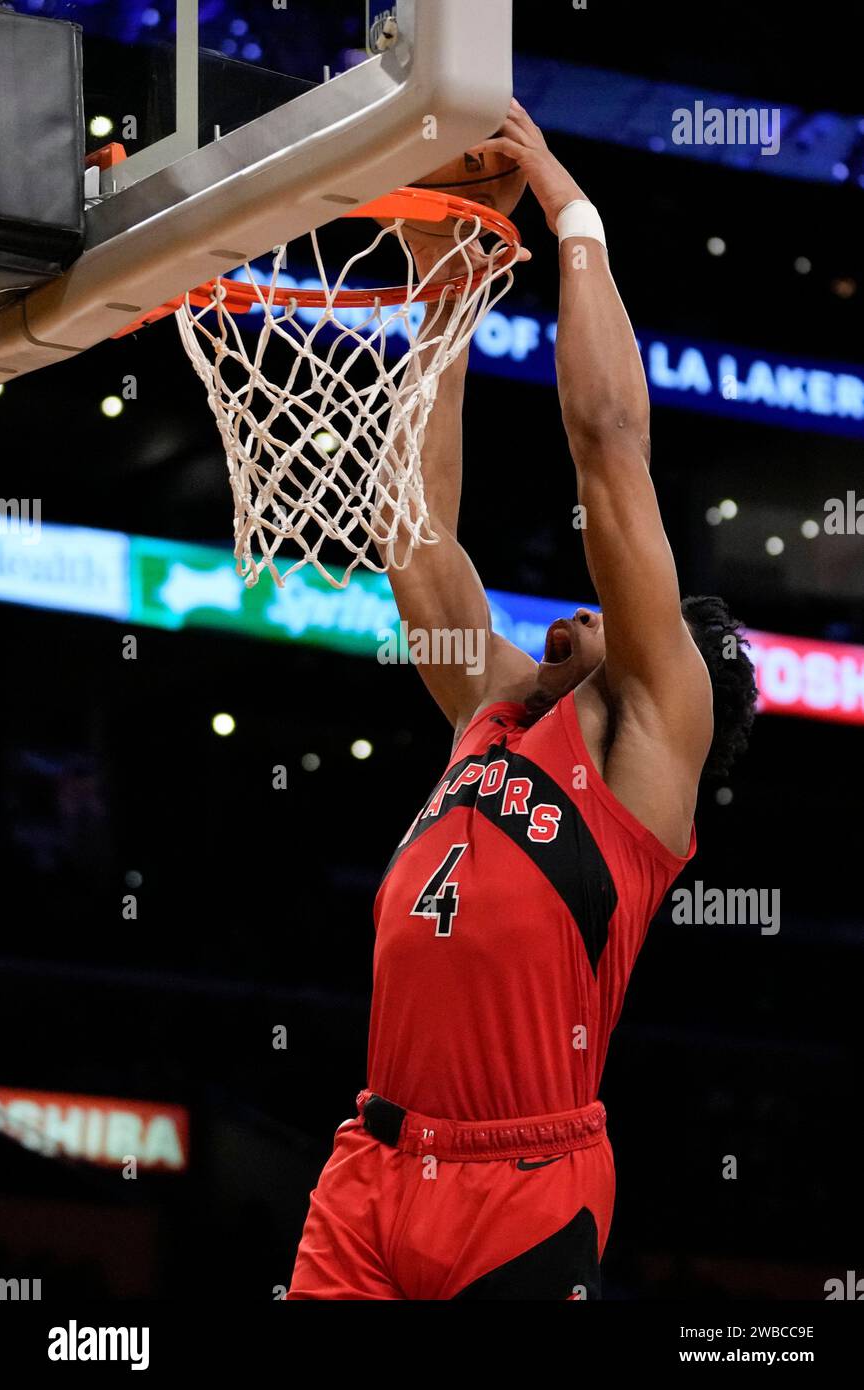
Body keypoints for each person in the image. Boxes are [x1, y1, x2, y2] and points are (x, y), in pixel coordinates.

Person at [287, 100, 757, 1301]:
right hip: (372, 1164)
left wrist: (560, 204)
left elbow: (607, 437)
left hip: (523, 1180)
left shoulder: (652, 740)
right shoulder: (490, 707)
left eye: (610, 616)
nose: (579, 611)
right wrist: (445, 292)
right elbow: (413, 530)